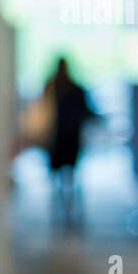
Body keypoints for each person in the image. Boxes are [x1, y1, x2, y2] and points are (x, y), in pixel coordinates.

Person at [44, 57, 99, 231]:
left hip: (55, 140)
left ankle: (58, 216)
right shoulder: (76, 89)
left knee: (57, 181)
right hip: (71, 139)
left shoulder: (51, 87)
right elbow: (87, 111)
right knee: (74, 179)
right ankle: (74, 216)